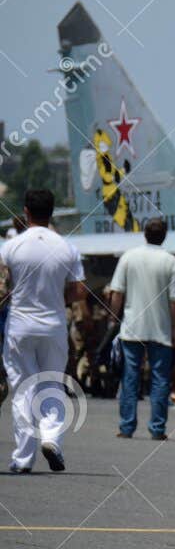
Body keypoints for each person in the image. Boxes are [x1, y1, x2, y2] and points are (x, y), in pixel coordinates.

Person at [1, 189, 86, 472]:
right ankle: (52, 439)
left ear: (25, 211)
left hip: (20, 324)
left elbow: (3, 284)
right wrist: (57, 300)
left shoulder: (11, 246)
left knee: (23, 388)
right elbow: (79, 291)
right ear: (51, 212)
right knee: (52, 383)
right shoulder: (66, 247)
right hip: (53, 324)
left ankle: (23, 458)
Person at [107, 215, 175, 442]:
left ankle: (126, 426)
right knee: (160, 379)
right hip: (160, 329)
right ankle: (157, 428)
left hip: (132, 327)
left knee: (130, 377)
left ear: (145, 234)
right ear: (165, 235)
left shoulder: (129, 257)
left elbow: (117, 292)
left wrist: (113, 318)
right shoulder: (171, 262)